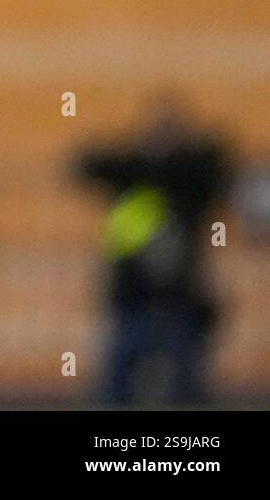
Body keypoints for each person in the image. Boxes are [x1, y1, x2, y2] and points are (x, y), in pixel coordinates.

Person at [75, 94, 230, 406]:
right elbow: (86, 163)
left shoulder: (189, 182)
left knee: (186, 389)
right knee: (116, 390)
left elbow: (219, 162)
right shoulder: (131, 177)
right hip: (133, 300)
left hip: (180, 302)